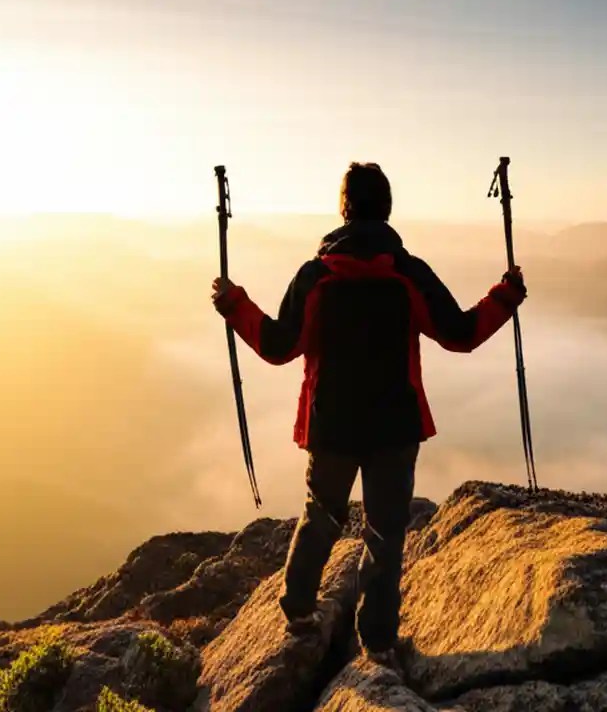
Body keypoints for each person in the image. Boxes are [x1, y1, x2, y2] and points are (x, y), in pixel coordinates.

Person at [211, 162, 526, 665]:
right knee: (385, 532)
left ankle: (297, 610)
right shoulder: (407, 273)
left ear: (344, 208)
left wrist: (234, 304)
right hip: (394, 426)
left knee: (321, 514)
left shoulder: (316, 276)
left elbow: (278, 345)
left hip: (331, 425)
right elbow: (460, 334)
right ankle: (378, 642)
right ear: (387, 209)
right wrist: (506, 297)